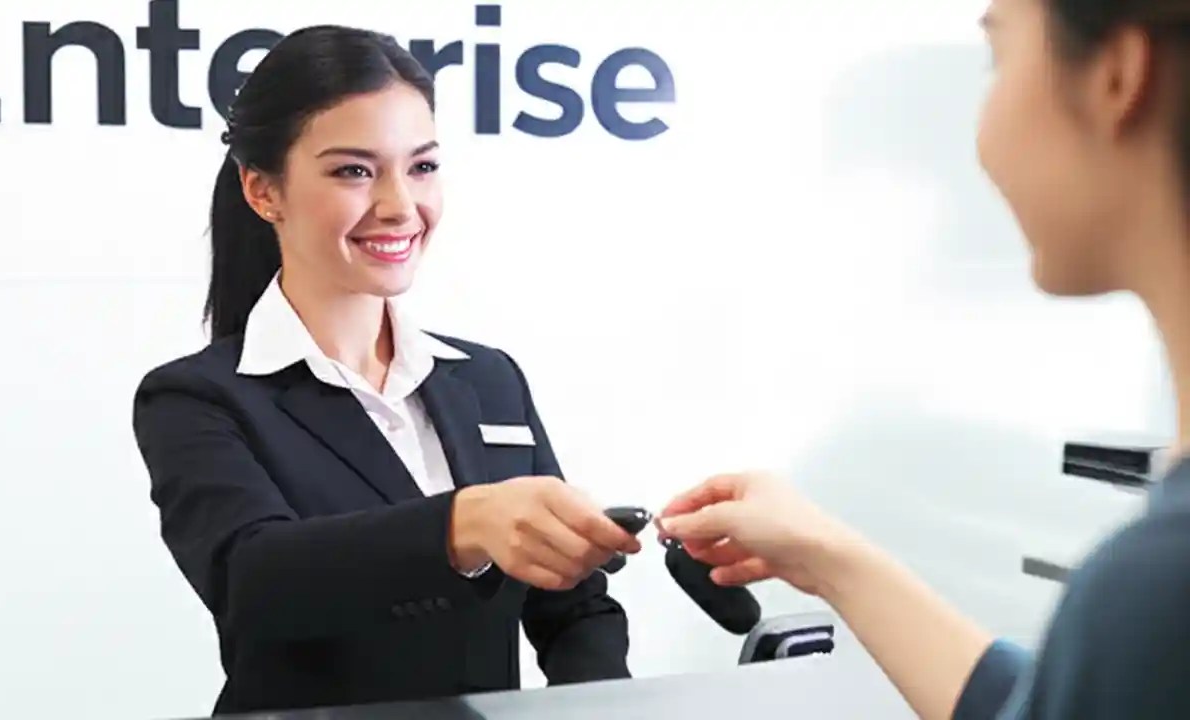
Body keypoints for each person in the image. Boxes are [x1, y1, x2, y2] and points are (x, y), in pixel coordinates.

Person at [660, 0, 1190, 718]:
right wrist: (827, 557)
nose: (980, 138)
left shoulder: (1157, 585)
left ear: (1118, 76)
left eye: (1000, 59)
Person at [131, 25, 640, 715]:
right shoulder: (198, 397)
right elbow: (254, 585)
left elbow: (575, 609)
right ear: (263, 191)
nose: (401, 205)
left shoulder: (487, 379)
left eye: (421, 167)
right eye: (354, 171)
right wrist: (463, 524)